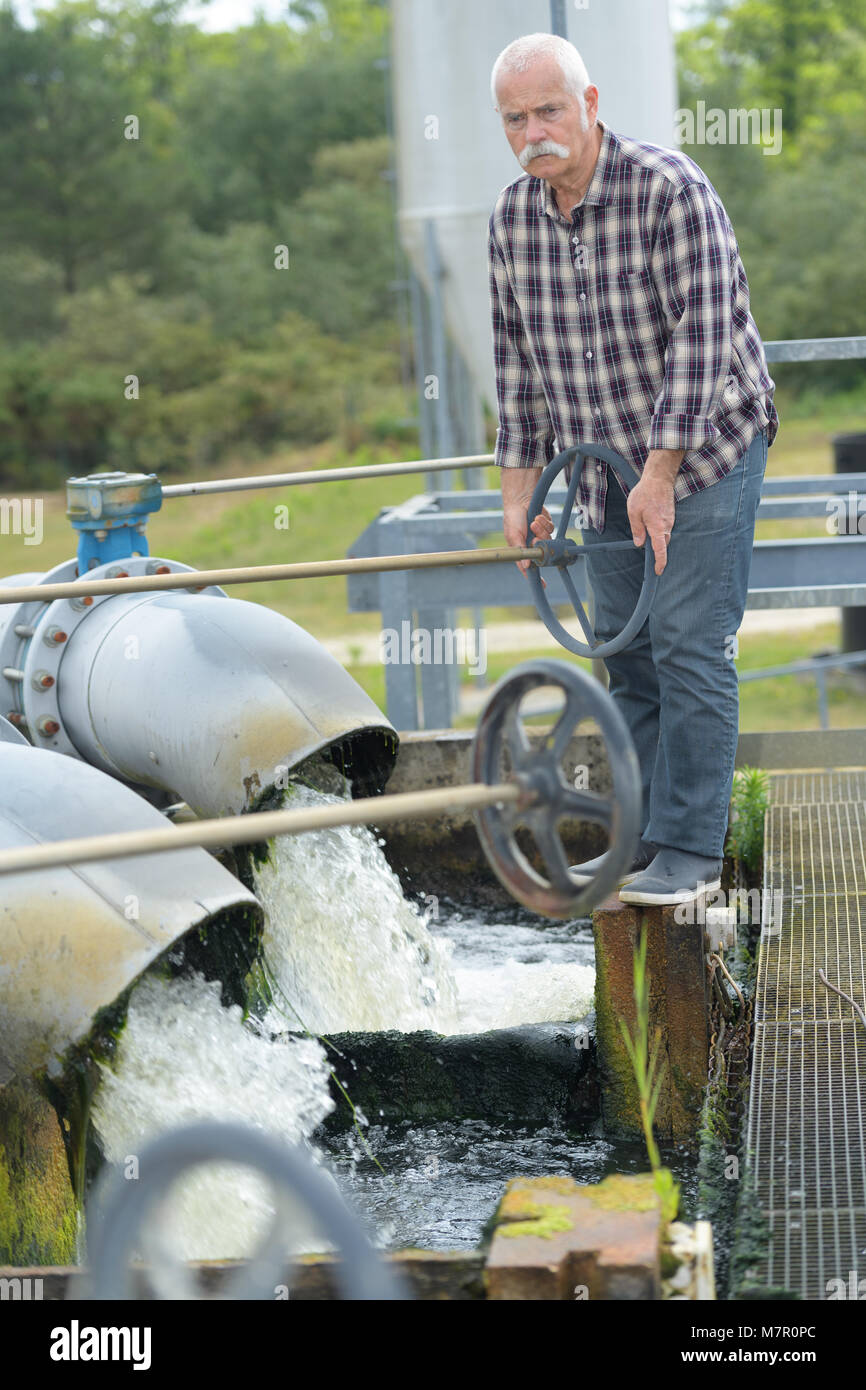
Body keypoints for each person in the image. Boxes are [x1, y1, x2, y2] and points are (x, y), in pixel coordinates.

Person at [488, 33, 778, 906]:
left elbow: (704, 337)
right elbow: (515, 364)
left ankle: (691, 851)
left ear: (589, 102)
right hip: (600, 473)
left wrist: (660, 475)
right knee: (631, 657)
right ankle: (645, 842)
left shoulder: (670, 189)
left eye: (547, 110)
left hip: (706, 452)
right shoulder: (510, 221)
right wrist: (519, 494)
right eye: (515, 119)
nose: (534, 131)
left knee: (690, 645)